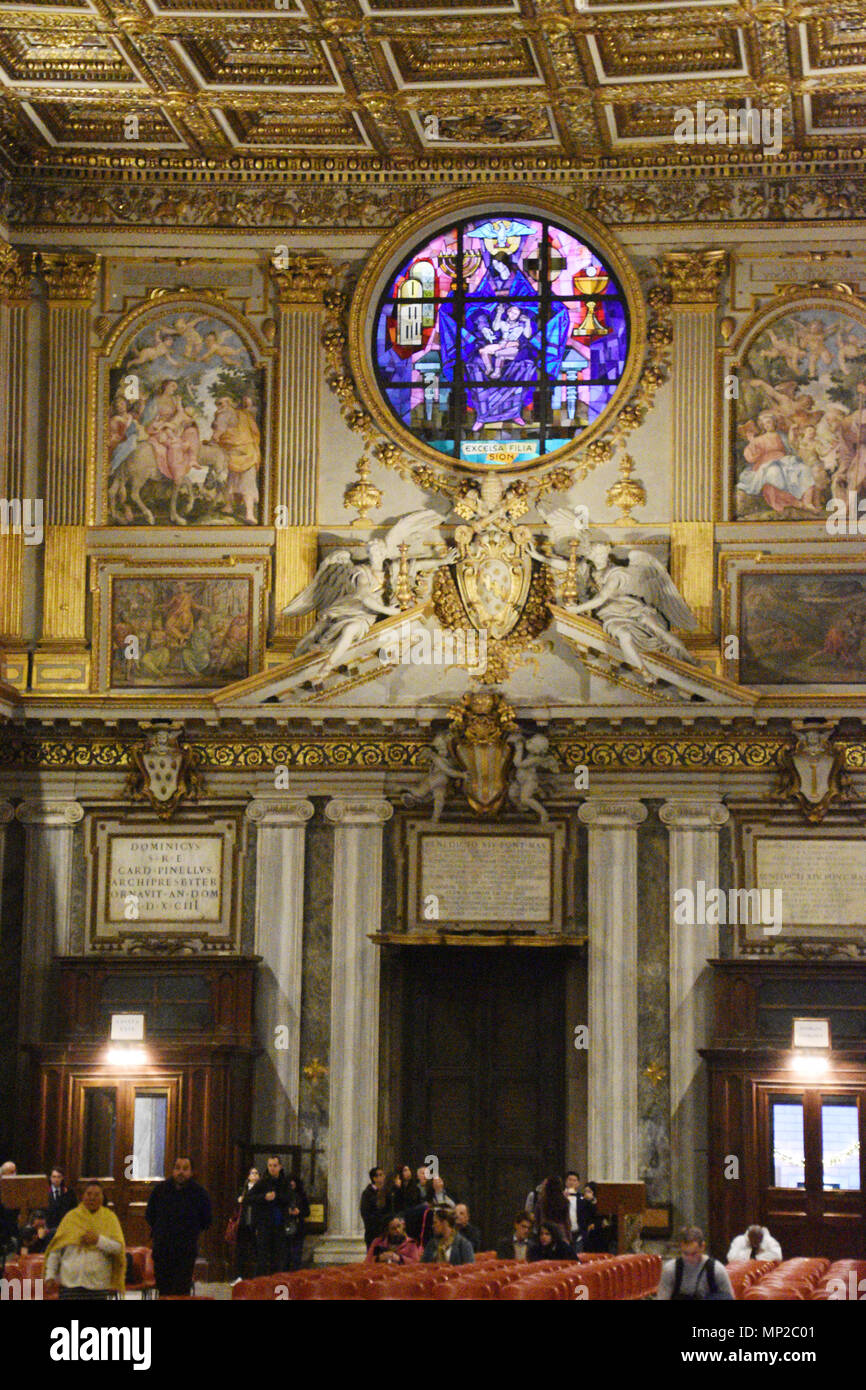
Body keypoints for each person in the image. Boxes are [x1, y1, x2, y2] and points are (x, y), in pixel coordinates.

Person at [44, 1181, 125, 1301]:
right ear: (83, 1196)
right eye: (89, 1194)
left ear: (102, 1198)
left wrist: (98, 1240)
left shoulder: (110, 1219)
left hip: (97, 1284)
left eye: (97, 1195)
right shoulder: (70, 1217)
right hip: (70, 1283)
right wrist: (50, 1275)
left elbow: (118, 1248)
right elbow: (56, 1250)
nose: (92, 1198)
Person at [145, 1156, 212, 1297]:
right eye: (177, 1168)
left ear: (191, 1172)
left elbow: (206, 1220)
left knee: (181, 1291)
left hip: (185, 1251)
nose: (180, 1172)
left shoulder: (199, 1193)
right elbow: (150, 1215)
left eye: (185, 1168)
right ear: (172, 1170)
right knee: (163, 1290)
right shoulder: (160, 1190)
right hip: (162, 1249)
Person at [656, 1226, 735, 1301]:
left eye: (694, 1254)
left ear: (702, 1247)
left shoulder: (717, 1270)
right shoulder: (670, 1270)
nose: (689, 1258)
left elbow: (729, 1297)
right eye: (685, 1253)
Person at [249, 1156, 291, 1276]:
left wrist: (277, 1197)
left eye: (274, 1165)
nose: (272, 1168)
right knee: (262, 1257)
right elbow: (249, 1198)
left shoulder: (284, 1182)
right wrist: (264, 1197)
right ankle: (260, 1286)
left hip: (279, 1225)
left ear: (280, 1167)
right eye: (270, 1165)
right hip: (264, 1225)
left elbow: (289, 1198)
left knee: (278, 1258)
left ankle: (275, 1285)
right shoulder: (262, 1182)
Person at [231, 1166, 259, 1281]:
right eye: (252, 1173)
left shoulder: (260, 1189)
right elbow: (237, 1202)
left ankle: (256, 1277)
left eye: (256, 1173)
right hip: (243, 1224)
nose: (254, 1175)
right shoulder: (243, 1189)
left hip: (255, 1224)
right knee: (241, 1251)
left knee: (256, 1251)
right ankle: (239, 1276)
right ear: (248, 1176)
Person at [284, 1173, 310, 1272]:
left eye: (293, 1181)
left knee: (296, 1254)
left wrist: (299, 1212)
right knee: (286, 1255)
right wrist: (287, 1211)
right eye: (290, 1182)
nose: (292, 1184)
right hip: (286, 1226)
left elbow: (307, 1212)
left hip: (299, 1228)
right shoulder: (284, 1195)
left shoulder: (302, 1196)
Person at [360, 1166, 389, 1249]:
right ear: (374, 1178)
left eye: (383, 1175)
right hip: (373, 1233)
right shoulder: (367, 1193)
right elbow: (365, 1213)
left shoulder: (386, 1192)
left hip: (385, 1232)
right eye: (380, 1175)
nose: (383, 1177)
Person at [46, 1167, 77, 1235]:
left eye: (58, 1177)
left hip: (66, 1226)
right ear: (50, 1178)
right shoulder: (45, 1193)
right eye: (54, 1177)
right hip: (49, 1228)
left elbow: (74, 1209)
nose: (56, 1179)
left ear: (62, 1178)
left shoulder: (69, 1192)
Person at [564, 1171, 581, 1246]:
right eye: (570, 1180)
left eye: (574, 1180)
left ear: (578, 1183)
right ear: (566, 1182)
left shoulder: (581, 1198)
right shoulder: (560, 1196)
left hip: (577, 1232)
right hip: (563, 1232)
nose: (572, 1182)